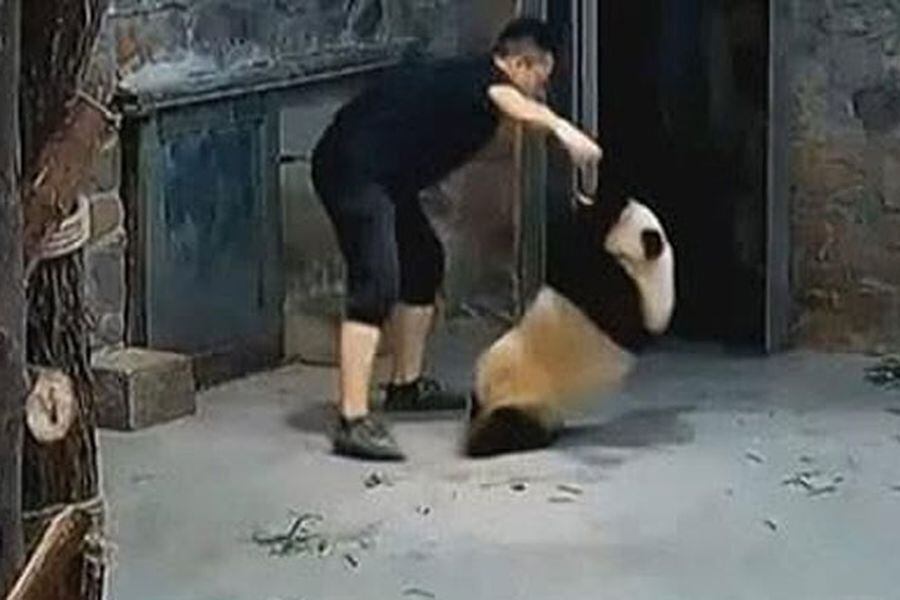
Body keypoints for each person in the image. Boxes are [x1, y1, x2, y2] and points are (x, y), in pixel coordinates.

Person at [310, 17, 603, 461]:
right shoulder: (485, 80)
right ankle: (352, 420)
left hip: (387, 178)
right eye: (541, 76)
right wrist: (564, 130)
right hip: (352, 170)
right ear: (519, 64)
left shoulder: (472, 84)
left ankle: (406, 388)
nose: (542, 89)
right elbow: (509, 100)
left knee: (423, 262)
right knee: (377, 282)